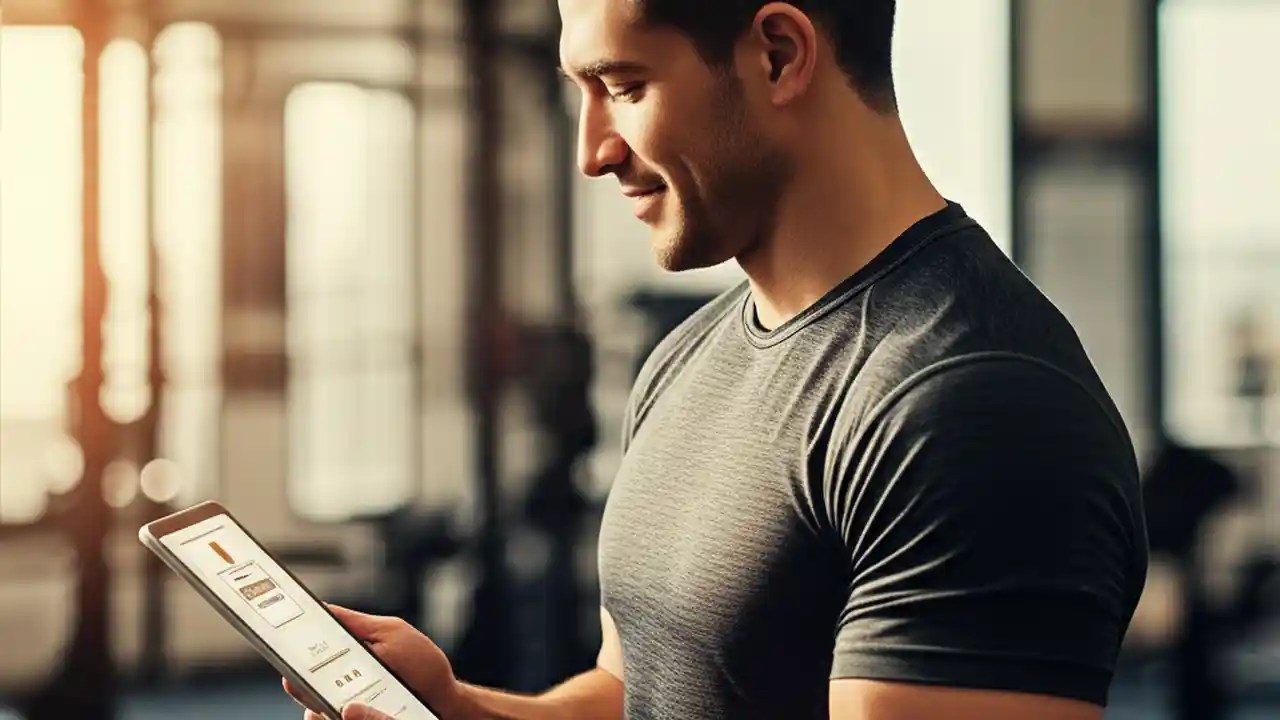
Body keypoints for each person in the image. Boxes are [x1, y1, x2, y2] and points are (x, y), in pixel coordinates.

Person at [287, 1, 1149, 718]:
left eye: (622, 88)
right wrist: (459, 712)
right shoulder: (688, 357)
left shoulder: (969, 407)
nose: (594, 150)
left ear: (778, 55)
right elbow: (635, 694)